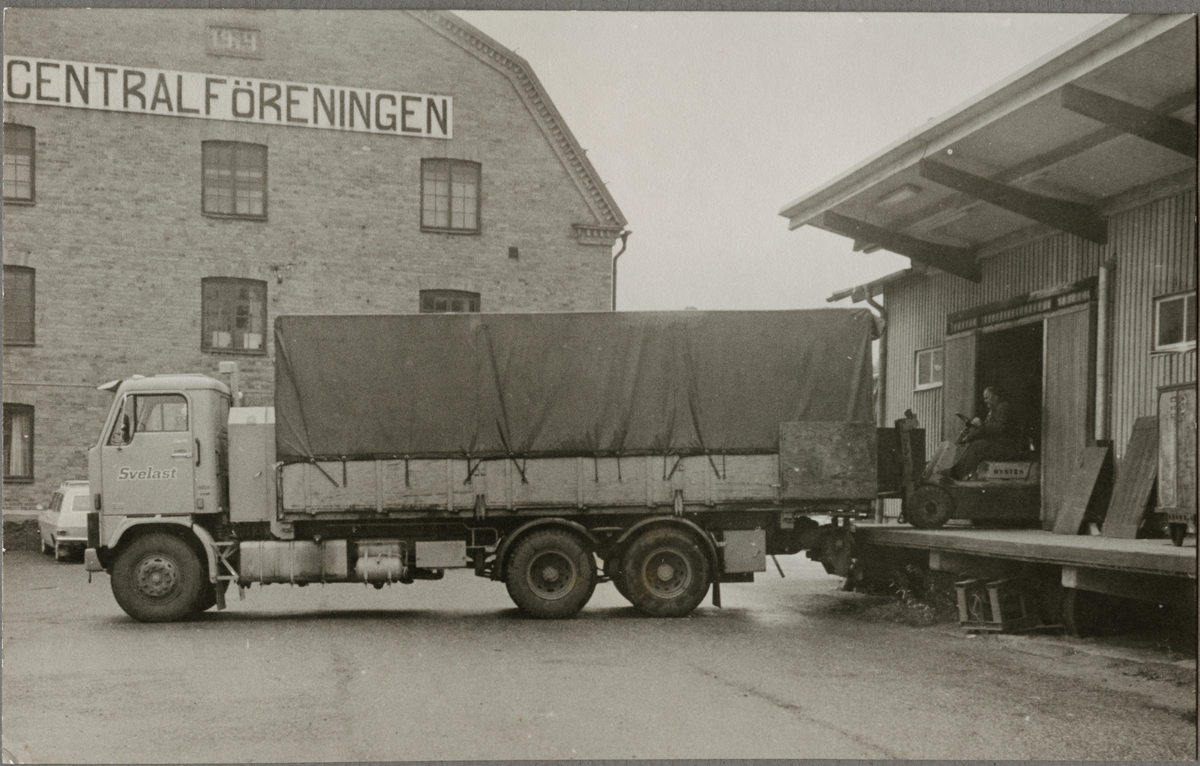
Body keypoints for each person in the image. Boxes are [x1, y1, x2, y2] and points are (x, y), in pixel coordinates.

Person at [942, 385, 1023, 481]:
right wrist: (969, 438)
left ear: (995, 397)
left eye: (987, 398)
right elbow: (984, 430)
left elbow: (999, 428)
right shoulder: (993, 411)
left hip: (1008, 448)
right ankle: (954, 473)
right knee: (974, 445)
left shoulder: (1003, 408)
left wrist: (981, 425)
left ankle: (954, 475)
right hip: (1000, 446)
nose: (985, 401)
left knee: (978, 446)